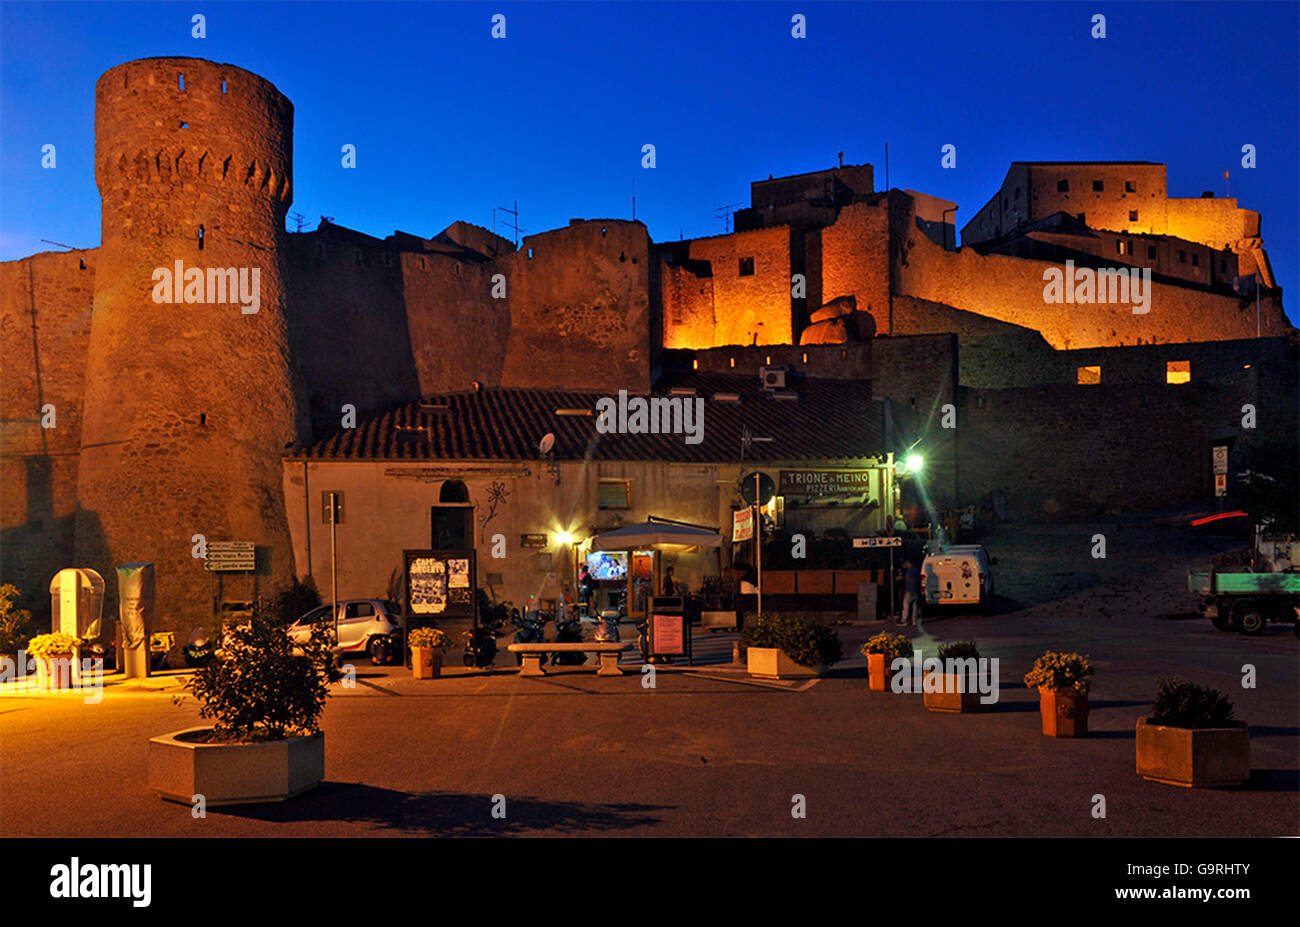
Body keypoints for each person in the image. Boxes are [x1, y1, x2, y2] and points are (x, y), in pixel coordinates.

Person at [899, 559, 921, 627]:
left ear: (908, 563)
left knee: (906, 606)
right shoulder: (916, 570)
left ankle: (904, 621)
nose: (905, 565)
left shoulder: (910, 571)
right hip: (916, 591)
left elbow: (911, 580)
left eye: (906, 564)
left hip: (910, 591)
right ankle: (914, 621)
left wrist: (910, 589)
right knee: (915, 607)